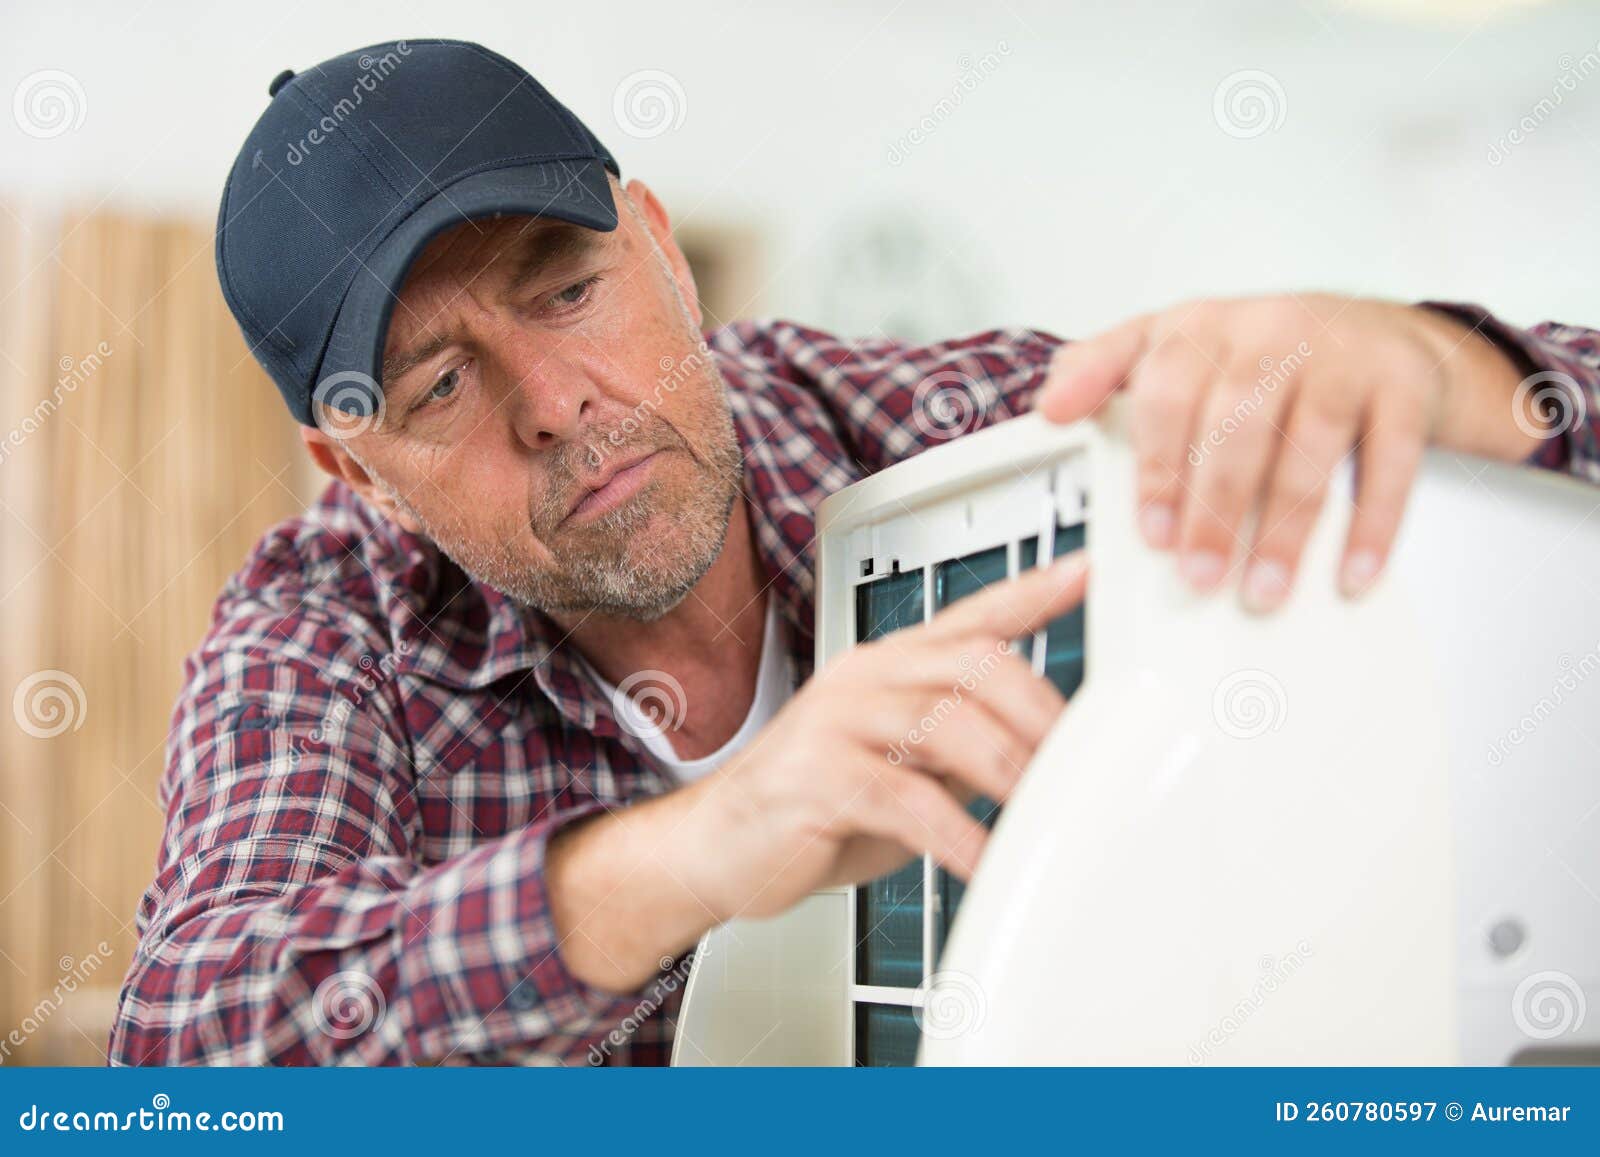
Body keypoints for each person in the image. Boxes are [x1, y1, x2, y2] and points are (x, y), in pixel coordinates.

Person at [110, 39, 1600, 1065]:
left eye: (566, 288)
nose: (556, 406)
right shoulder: (321, 633)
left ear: (659, 243)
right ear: (353, 466)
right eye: (438, 385)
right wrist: (697, 854)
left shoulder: (931, 421)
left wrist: (1449, 370)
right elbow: (188, 1056)